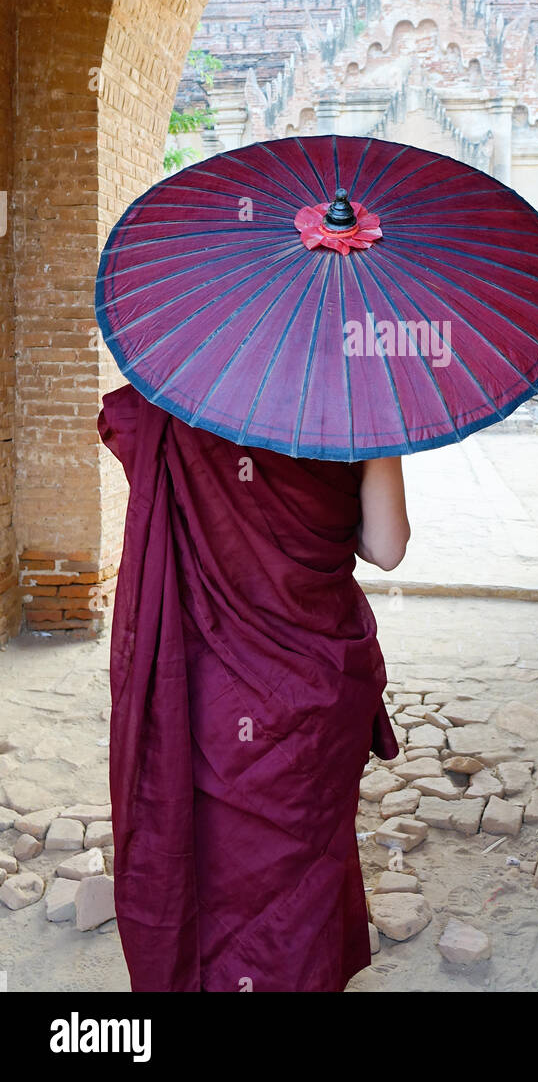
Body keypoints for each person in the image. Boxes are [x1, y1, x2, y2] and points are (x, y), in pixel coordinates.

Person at [97, 381, 410, 994]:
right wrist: (382, 437)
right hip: (317, 683)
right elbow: (387, 549)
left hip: (208, 685)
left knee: (216, 855)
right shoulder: (359, 403)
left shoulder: (178, 398)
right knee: (305, 857)